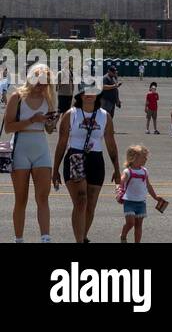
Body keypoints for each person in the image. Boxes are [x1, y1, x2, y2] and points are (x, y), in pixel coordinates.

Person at [53, 86, 121, 243]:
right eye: (86, 93)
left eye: (93, 92)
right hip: (75, 157)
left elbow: (111, 144)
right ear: (81, 96)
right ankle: (79, 240)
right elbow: (61, 143)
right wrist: (55, 169)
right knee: (81, 200)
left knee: (90, 204)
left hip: (96, 159)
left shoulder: (105, 116)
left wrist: (117, 170)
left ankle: (83, 236)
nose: (89, 95)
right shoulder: (71, 114)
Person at [5, 65, 55, 242]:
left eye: (45, 84)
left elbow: (49, 130)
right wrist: (31, 120)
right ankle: (19, 238)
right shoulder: (17, 97)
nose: (41, 87)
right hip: (20, 146)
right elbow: (9, 127)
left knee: (43, 196)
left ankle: (45, 237)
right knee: (21, 198)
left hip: (41, 147)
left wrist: (50, 123)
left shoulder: (48, 99)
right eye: (39, 82)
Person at [118, 144, 164, 243]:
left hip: (141, 202)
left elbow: (148, 185)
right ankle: (123, 234)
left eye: (146, 157)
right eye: (143, 157)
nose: (145, 159)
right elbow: (122, 180)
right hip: (129, 201)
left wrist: (155, 197)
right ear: (133, 158)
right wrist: (120, 184)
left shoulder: (144, 171)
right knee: (130, 223)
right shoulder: (128, 171)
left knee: (138, 225)